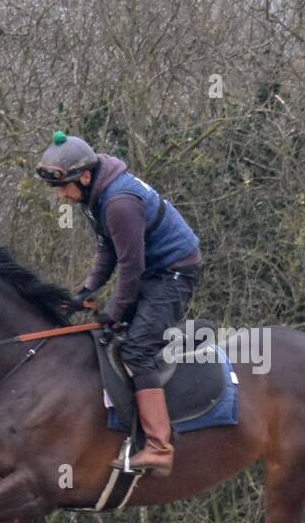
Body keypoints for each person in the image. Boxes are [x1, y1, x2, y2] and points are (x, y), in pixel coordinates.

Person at [36, 131, 203, 476]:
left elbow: (132, 267)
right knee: (110, 333)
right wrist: (87, 289)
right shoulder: (96, 195)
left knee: (137, 349)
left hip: (173, 272)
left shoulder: (118, 202)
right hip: (152, 270)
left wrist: (113, 310)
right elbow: (107, 249)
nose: (62, 196)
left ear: (84, 176)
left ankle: (159, 447)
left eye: (64, 186)